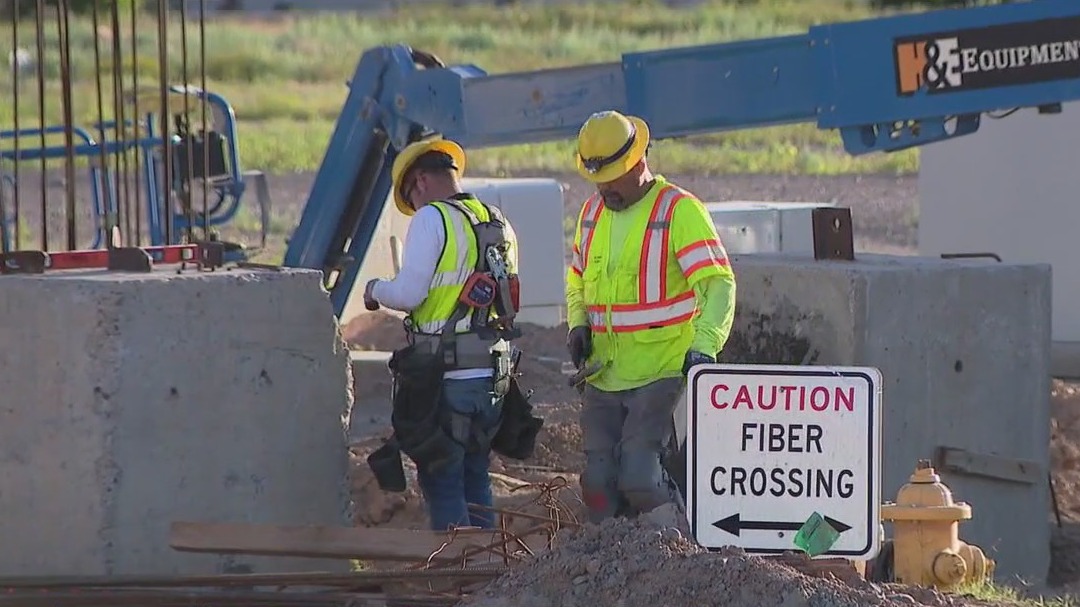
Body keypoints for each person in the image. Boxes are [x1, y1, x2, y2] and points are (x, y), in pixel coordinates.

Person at [565, 110, 737, 523]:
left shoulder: (678, 211)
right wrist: (578, 323)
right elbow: (577, 278)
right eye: (598, 178)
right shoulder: (591, 214)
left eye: (613, 176)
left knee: (641, 479)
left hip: (660, 372)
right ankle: (610, 565)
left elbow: (718, 284)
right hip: (604, 374)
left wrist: (704, 345)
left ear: (640, 161)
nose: (605, 187)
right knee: (598, 484)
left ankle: (677, 554)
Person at [362, 137, 521, 532]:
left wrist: (374, 290)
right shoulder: (496, 218)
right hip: (493, 376)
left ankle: (458, 578)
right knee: (475, 477)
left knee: (442, 482)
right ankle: (486, 572)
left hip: (448, 379)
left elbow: (410, 294)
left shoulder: (433, 218)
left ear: (418, 182)